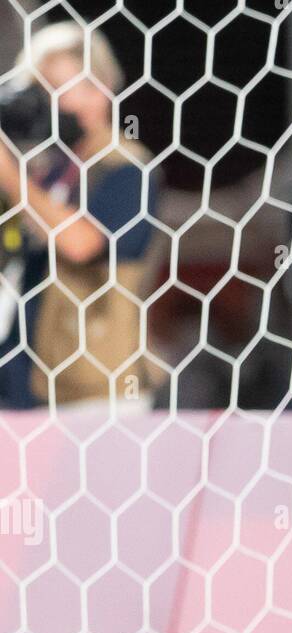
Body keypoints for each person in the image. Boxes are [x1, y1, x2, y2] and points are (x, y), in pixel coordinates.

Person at [0, 22, 160, 408]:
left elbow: (82, 243)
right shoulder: (51, 169)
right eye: (39, 91)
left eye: (59, 89)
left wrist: (8, 173)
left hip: (96, 390)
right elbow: (14, 244)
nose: (49, 103)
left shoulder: (127, 167)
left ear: (102, 87)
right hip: (28, 383)